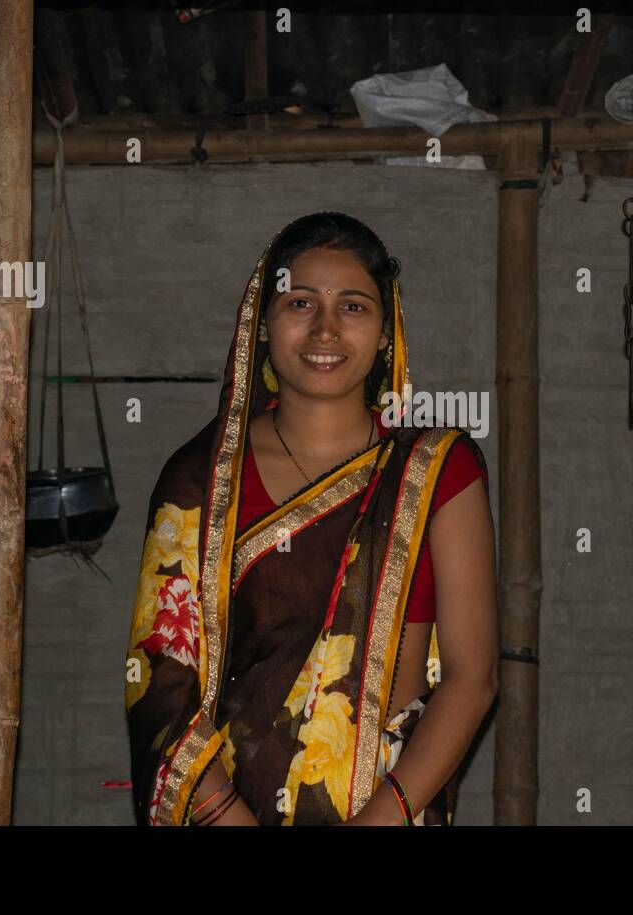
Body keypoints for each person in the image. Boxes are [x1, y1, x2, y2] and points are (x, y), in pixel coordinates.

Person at [125, 212, 499, 825]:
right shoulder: (202, 479)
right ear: (264, 324)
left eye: (353, 307)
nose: (325, 329)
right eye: (300, 302)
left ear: (385, 332)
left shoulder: (436, 472)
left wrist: (381, 819)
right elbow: (163, 681)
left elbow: (473, 675)